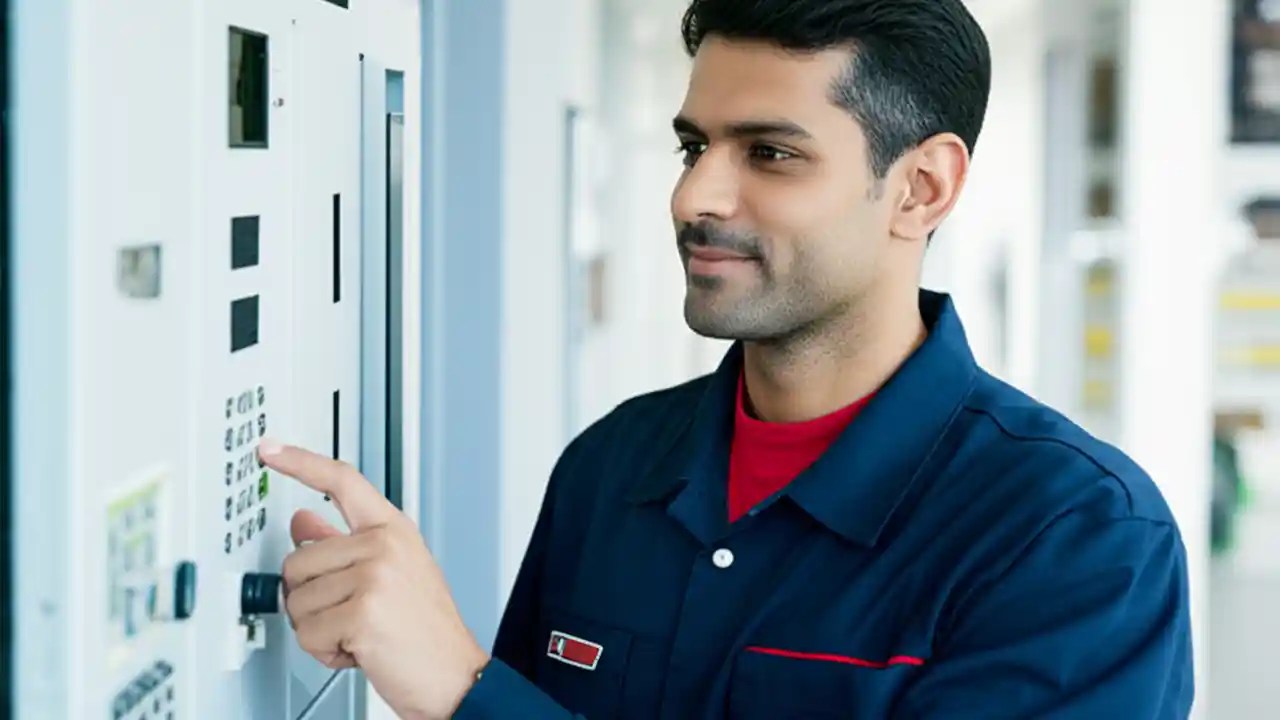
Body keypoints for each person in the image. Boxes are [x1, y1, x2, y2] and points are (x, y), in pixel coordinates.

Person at [257, 0, 1195, 717]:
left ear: (919, 188)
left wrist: (469, 691)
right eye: (694, 145)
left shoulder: (1075, 538)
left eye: (771, 155)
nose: (696, 195)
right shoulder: (611, 467)